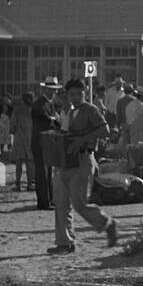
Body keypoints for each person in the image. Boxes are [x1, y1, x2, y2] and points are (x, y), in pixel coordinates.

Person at [49, 78, 118, 254]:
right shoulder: (68, 111)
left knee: (79, 203)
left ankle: (106, 224)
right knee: (61, 203)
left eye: (79, 94)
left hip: (83, 160)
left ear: (85, 93)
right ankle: (64, 242)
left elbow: (105, 130)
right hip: (65, 162)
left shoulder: (90, 110)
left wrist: (81, 139)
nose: (75, 97)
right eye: (72, 94)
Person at [30, 76, 61, 210]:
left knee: (48, 171)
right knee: (42, 172)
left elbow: (55, 119)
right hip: (40, 141)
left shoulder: (50, 103)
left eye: (54, 90)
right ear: (45, 89)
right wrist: (56, 120)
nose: (52, 92)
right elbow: (48, 120)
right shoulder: (39, 104)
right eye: (50, 89)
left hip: (48, 141)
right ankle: (43, 201)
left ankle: (49, 199)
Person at [10, 92, 35, 191]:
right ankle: (30, 183)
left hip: (19, 137)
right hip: (30, 137)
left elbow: (13, 126)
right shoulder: (33, 111)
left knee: (19, 162)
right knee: (30, 163)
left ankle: (18, 183)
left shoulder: (17, 111)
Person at [0, 95, 14, 159]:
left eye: (7, 99)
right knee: (1, 139)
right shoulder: (0, 107)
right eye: (5, 99)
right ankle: (2, 153)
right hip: (1, 125)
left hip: (8, 125)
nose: (6, 101)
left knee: (9, 139)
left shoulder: (12, 109)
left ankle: (9, 153)